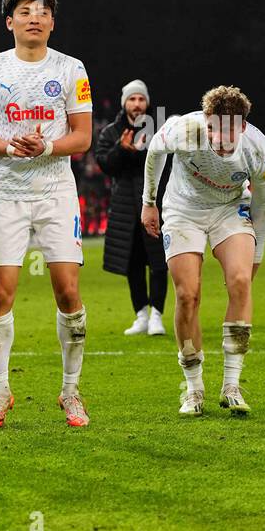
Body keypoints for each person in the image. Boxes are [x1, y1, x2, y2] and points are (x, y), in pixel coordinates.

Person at [0, 0, 93, 429]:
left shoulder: (72, 68)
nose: (33, 17)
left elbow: (83, 136)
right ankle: (0, 392)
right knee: (1, 293)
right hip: (7, 193)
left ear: (52, 22)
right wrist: (9, 146)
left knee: (68, 292)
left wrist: (45, 148)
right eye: (24, 11)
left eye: (41, 11)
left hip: (57, 191)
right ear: (10, 22)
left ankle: (71, 392)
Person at [141, 87, 265, 416]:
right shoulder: (185, 129)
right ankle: (193, 387)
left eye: (229, 129)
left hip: (230, 210)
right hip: (183, 210)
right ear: (206, 122)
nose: (220, 137)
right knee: (188, 295)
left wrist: (256, 256)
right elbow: (155, 152)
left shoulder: (260, 152)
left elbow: (262, 205)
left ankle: (231, 385)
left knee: (241, 282)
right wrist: (149, 202)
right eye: (214, 128)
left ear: (242, 127)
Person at [95, 78, 168, 337]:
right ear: (124, 102)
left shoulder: (161, 129)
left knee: (159, 262)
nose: (137, 104)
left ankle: (158, 316)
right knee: (133, 263)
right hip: (125, 207)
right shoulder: (110, 132)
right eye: (132, 99)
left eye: (141, 99)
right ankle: (141, 315)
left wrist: (140, 152)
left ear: (147, 102)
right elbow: (104, 164)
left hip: (157, 205)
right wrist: (121, 150)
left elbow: (169, 164)